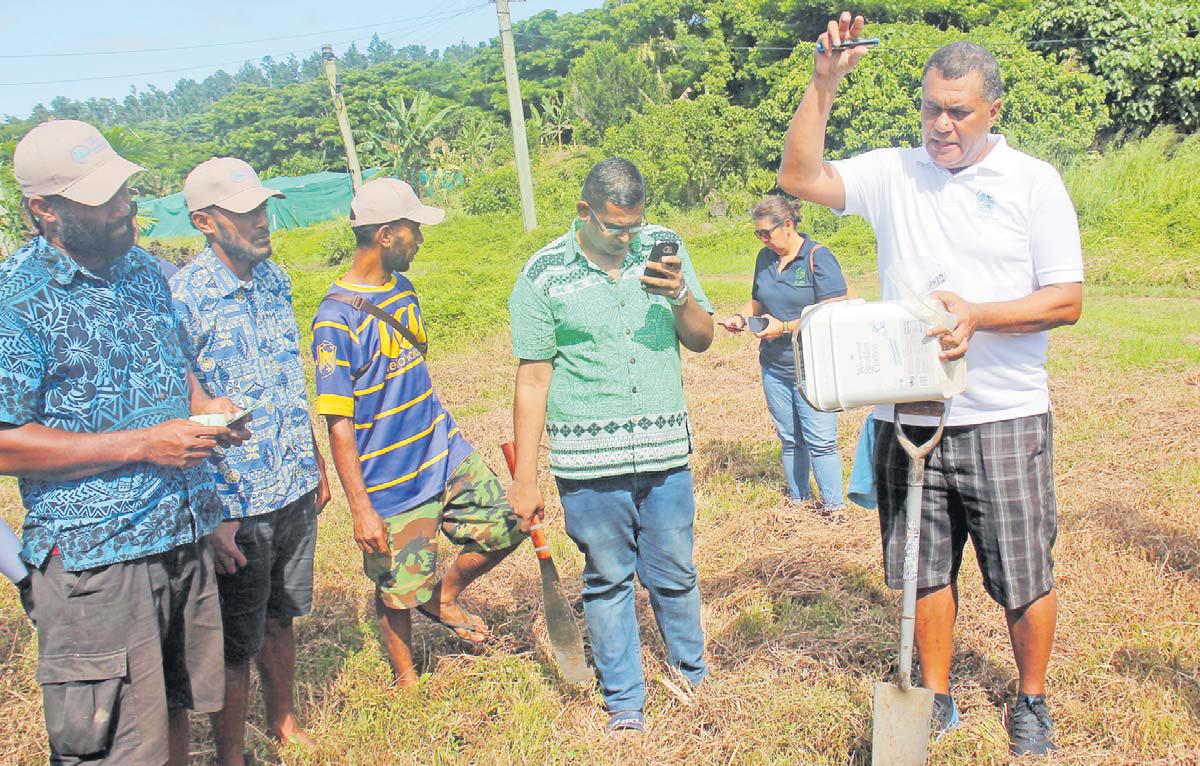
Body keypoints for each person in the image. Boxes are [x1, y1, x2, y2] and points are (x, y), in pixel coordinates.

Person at [778, 16, 1083, 756]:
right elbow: (798, 178)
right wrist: (823, 83)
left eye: (958, 111)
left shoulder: (1033, 183)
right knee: (923, 565)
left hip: (1003, 415)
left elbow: (1066, 299)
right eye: (930, 108)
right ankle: (936, 696)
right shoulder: (895, 172)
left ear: (993, 110)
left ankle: (1031, 700)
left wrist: (978, 315)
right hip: (907, 411)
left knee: (1023, 572)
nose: (941, 125)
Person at [0, 119, 249, 766]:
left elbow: (175, 364)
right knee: (118, 748)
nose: (123, 207)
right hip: (99, 562)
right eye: (101, 198)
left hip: (182, 532)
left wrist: (205, 409)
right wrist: (143, 445)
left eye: (122, 190)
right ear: (45, 210)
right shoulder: (16, 303)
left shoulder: (142, 270)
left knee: (174, 712)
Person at [507, 158, 715, 735]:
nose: (627, 238)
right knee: (607, 579)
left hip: (664, 453)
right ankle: (625, 703)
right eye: (614, 227)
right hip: (588, 465)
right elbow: (533, 378)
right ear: (584, 212)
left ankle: (693, 680)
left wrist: (679, 295)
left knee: (675, 573)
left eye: (634, 225)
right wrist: (525, 477)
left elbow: (702, 339)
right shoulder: (544, 274)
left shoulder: (663, 248)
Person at [311, 178, 525, 686]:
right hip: (391, 480)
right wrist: (361, 509)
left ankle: (444, 596)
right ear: (385, 235)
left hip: (442, 449)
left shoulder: (404, 291)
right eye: (413, 230)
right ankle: (408, 683)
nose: (421, 240)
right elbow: (338, 424)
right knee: (398, 591)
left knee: (507, 523)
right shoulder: (334, 322)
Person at [169, 157, 333, 766]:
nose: (261, 221)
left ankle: (283, 722)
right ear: (204, 222)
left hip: (289, 481)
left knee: (281, 615)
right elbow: (177, 410)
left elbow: (288, 380)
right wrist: (210, 512)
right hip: (234, 498)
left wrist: (313, 459)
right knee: (235, 638)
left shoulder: (275, 280)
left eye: (263, 208)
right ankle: (231, 754)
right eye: (244, 213)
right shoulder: (181, 299)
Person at [718, 195, 849, 519]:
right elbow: (757, 301)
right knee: (790, 438)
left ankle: (834, 508)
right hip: (774, 366)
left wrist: (786, 327)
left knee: (820, 440)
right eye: (758, 233)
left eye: (766, 232)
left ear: (787, 225)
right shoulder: (765, 258)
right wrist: (740, 317)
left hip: (814, 367)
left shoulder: (818, 257)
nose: (762, 239)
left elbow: (835, 312)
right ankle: (798, 501)